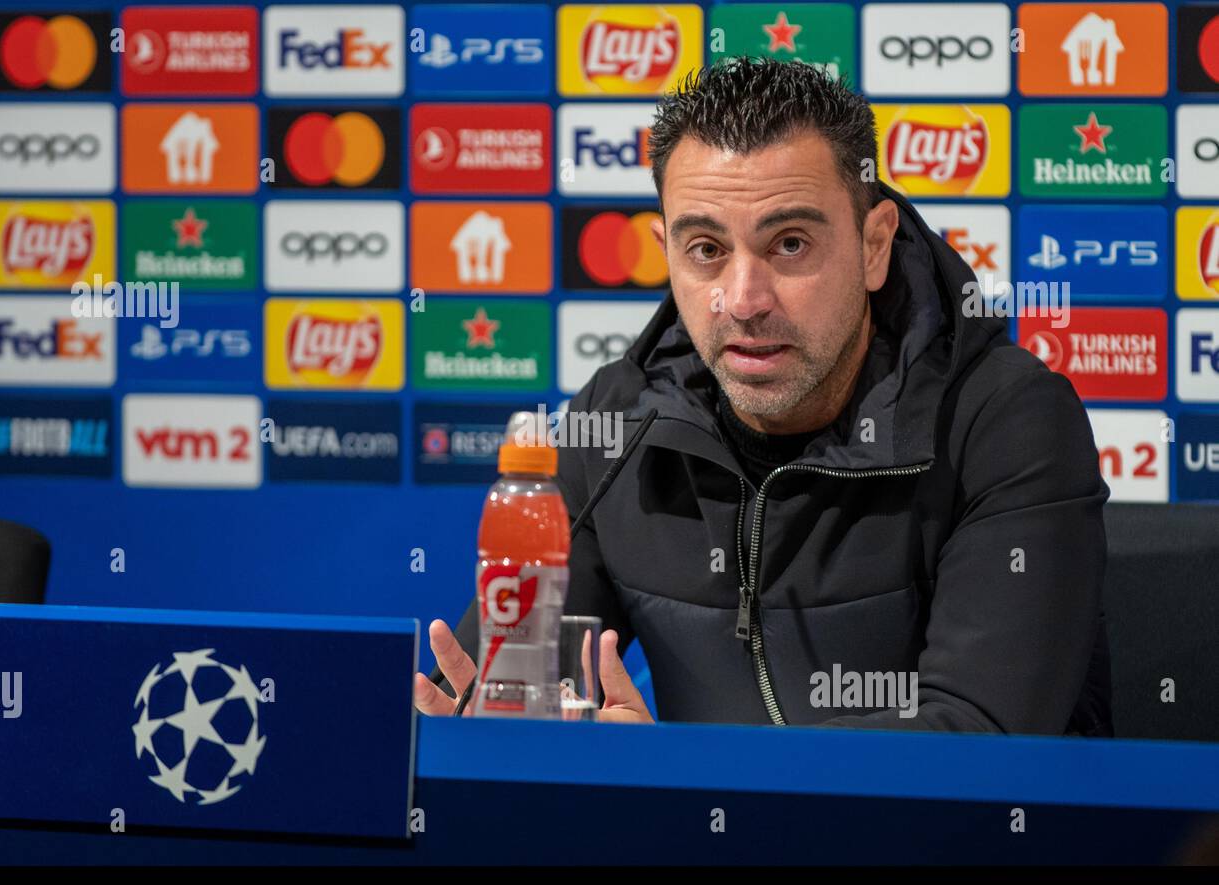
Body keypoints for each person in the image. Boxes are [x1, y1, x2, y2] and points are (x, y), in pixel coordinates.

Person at [414, 56, 1112, 734]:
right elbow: (506, 689)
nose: (743, 301)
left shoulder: (1003, 421)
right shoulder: (614, 426)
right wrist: (498, 736)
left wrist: (671, 779)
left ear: (874, 246)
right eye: (707, 250)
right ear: (668, 253)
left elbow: (976, 743)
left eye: (789, 245)